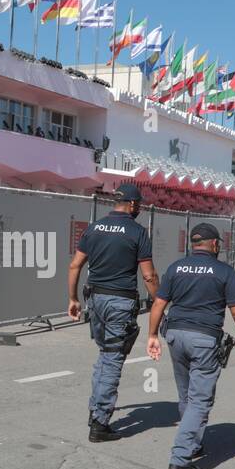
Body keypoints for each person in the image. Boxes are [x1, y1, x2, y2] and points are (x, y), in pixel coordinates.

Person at [146, 223, 235, 469]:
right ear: (215, 244)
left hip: (175, 334)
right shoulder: (224, 271)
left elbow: (159, 303)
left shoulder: (177, 267)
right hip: (204, 339)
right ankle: (181, 456)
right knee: (200, 399)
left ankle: (193, 443)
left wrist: (152, 335)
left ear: (194, 244)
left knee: (186, 394)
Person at [68, 182, 158, 443]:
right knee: (113, 358)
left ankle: (95, 409)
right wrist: (160, 302)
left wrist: (73, 298)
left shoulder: (94, 228)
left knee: (105, 353)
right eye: (138, 204)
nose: (139, 207)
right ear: (131, 204)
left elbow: (75, 265)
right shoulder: (137, 232)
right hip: (120, 301)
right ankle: (99, 422)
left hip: (94, 298)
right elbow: (149, 275)